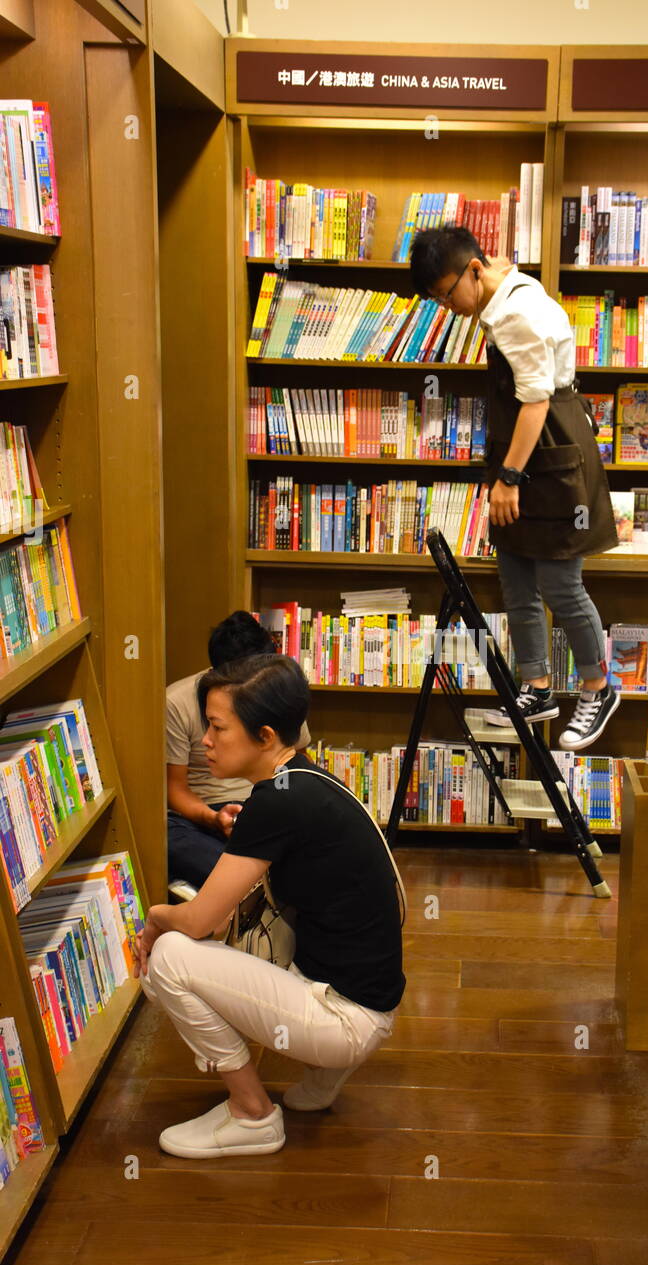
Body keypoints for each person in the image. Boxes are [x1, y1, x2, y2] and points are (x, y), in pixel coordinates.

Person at [135, 653, 405, 1159]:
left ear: (263, 736)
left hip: (345, 1017)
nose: (205, 742)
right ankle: (325, 1073)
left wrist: (153, 918)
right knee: (193, 945)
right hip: (372, 998)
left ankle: (252, 1115)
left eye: (216, 728)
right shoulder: (305, 779)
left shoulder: (276, 803)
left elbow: (197, 921)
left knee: (168, 957)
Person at [409, 225, 621, 751]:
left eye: (445, 292)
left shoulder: (515, 313)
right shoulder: (500, 290)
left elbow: (536, 401)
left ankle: (598, 687)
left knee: (560, 586)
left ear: (474, 271)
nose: (446, 305)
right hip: (526, 453)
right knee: (517, 583)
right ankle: (537, 686)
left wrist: (508, 479)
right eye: (436, 297)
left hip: (548, 456)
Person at [166, 610, 311, 890]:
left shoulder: (278, 693)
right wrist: (213, 819)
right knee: (166, 836)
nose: (208, 740)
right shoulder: (176, 702)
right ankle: (255, 884)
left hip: (267, 802)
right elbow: (175, 789)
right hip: (208, 815)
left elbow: (296, 761)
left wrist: (278, 803)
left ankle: (237, 885)